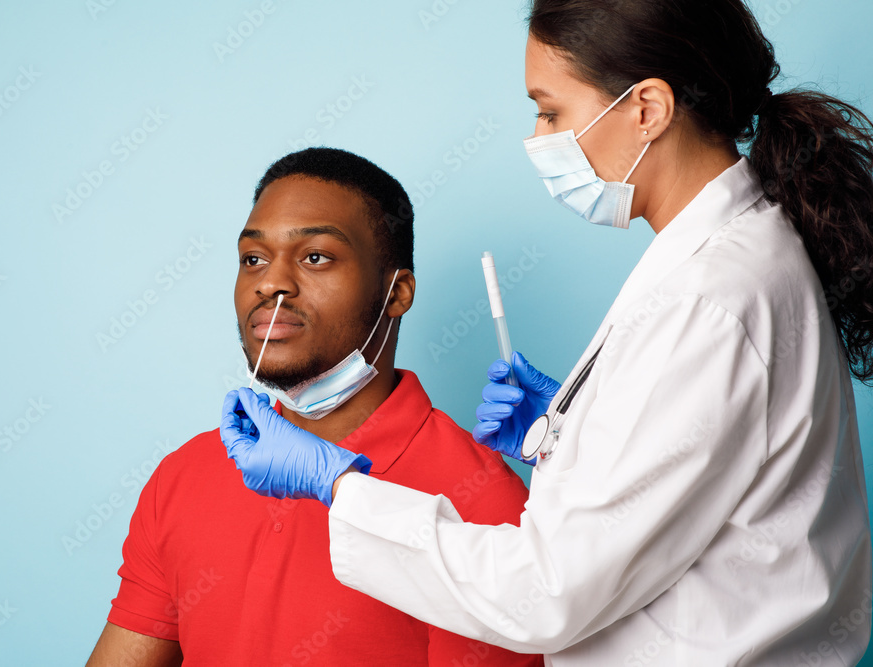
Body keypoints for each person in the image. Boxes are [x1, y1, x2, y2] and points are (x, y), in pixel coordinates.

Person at [220, 1, 873, 664]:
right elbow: (699, 482)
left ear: (647, 108)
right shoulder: (734, 256)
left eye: (552, 111)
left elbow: (545, 592)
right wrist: (571, 435)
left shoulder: (712, 298)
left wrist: (338, 485)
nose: (540, 136)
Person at [87, 147, 543, 666]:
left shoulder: (484, 507)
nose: (270, 282)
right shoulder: (184, 477)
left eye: (315, 256)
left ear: (397, 293)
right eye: (253, 258)